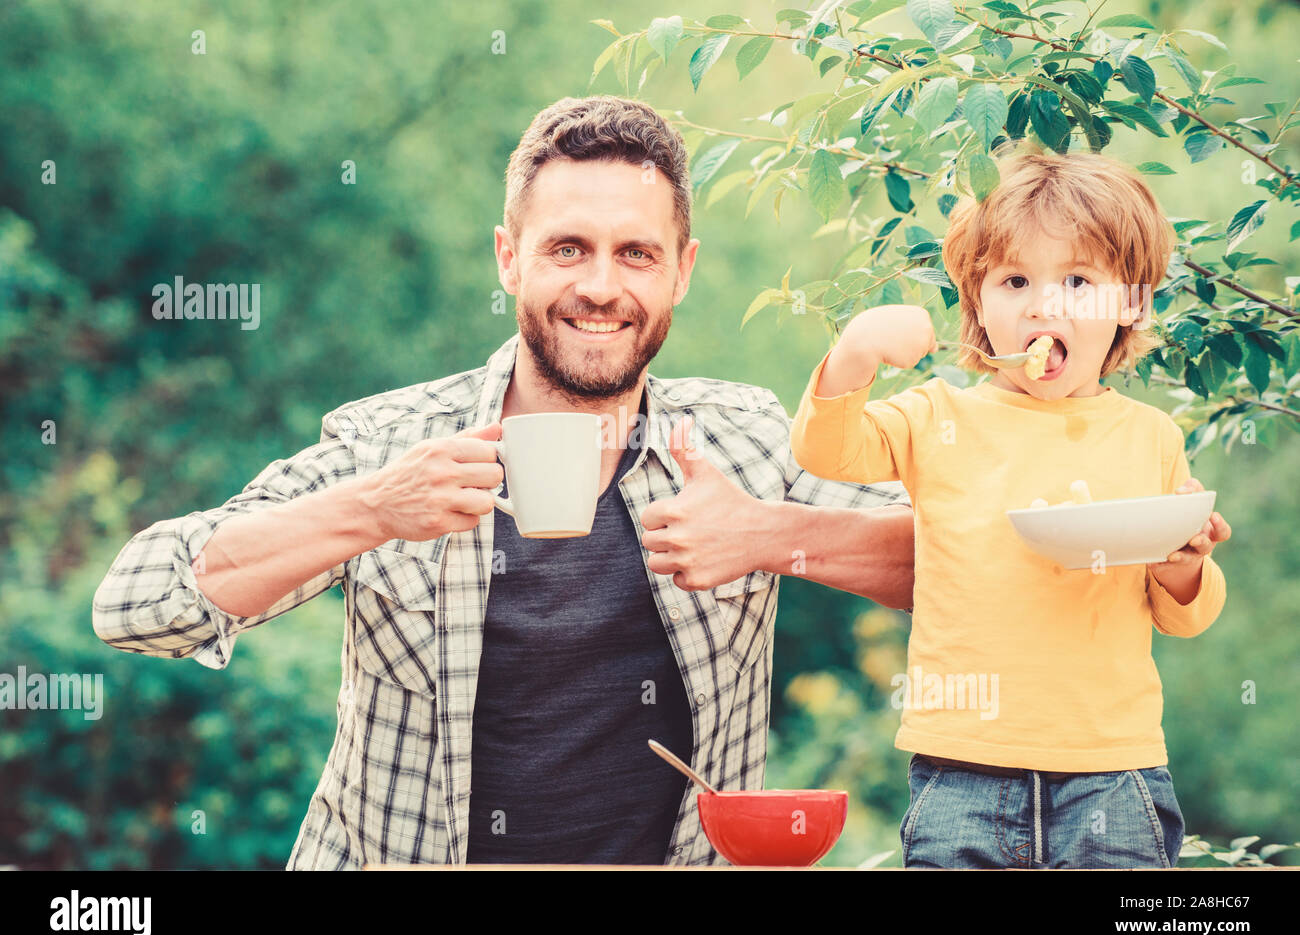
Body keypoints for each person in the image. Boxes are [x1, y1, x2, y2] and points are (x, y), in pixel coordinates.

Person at [92, 95, 915, 869]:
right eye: (567, 248)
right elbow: (135, 604)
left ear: (682, 271)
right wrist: (374, 508)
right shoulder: (392, 442)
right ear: (508, 259)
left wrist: (775, 537)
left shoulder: (744, 437)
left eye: (636, 253)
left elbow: (952, 566)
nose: (600, 287)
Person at [789, 145, 1232, 869]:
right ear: (977, 301)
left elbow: (1186, 612)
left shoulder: (1149, 436)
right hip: (961, 766)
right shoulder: (936, 418)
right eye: (1016, 279)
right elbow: (827, 453)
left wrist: (1185, 563)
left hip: (1112, 771)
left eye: (1079, 280)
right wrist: (856, 353)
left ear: (1133, 302)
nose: (1043, 304)